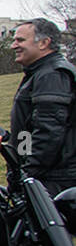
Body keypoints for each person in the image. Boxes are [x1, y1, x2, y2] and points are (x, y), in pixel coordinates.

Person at [9, 17, 76, 196]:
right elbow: (29, 129)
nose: (13, 46)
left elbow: (49, 131)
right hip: (46, 177)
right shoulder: (39, 73)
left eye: (20, 40)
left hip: (54, 181)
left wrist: (27, 172)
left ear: (44, 43)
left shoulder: (51, 75)